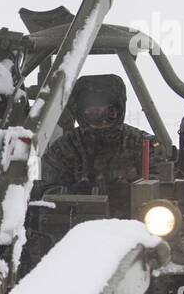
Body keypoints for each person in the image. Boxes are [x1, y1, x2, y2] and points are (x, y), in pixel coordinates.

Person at [38, 74, 160, 205]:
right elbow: (46, 193)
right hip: (74, 220)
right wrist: (73, 193)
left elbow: (162, 186)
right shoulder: (64, 148)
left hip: (133, 221)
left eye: (109, 112)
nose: (101, 119)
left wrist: (130, 193)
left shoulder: (143, 144)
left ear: (119, 110)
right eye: (93, 112)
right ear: (81, 112)